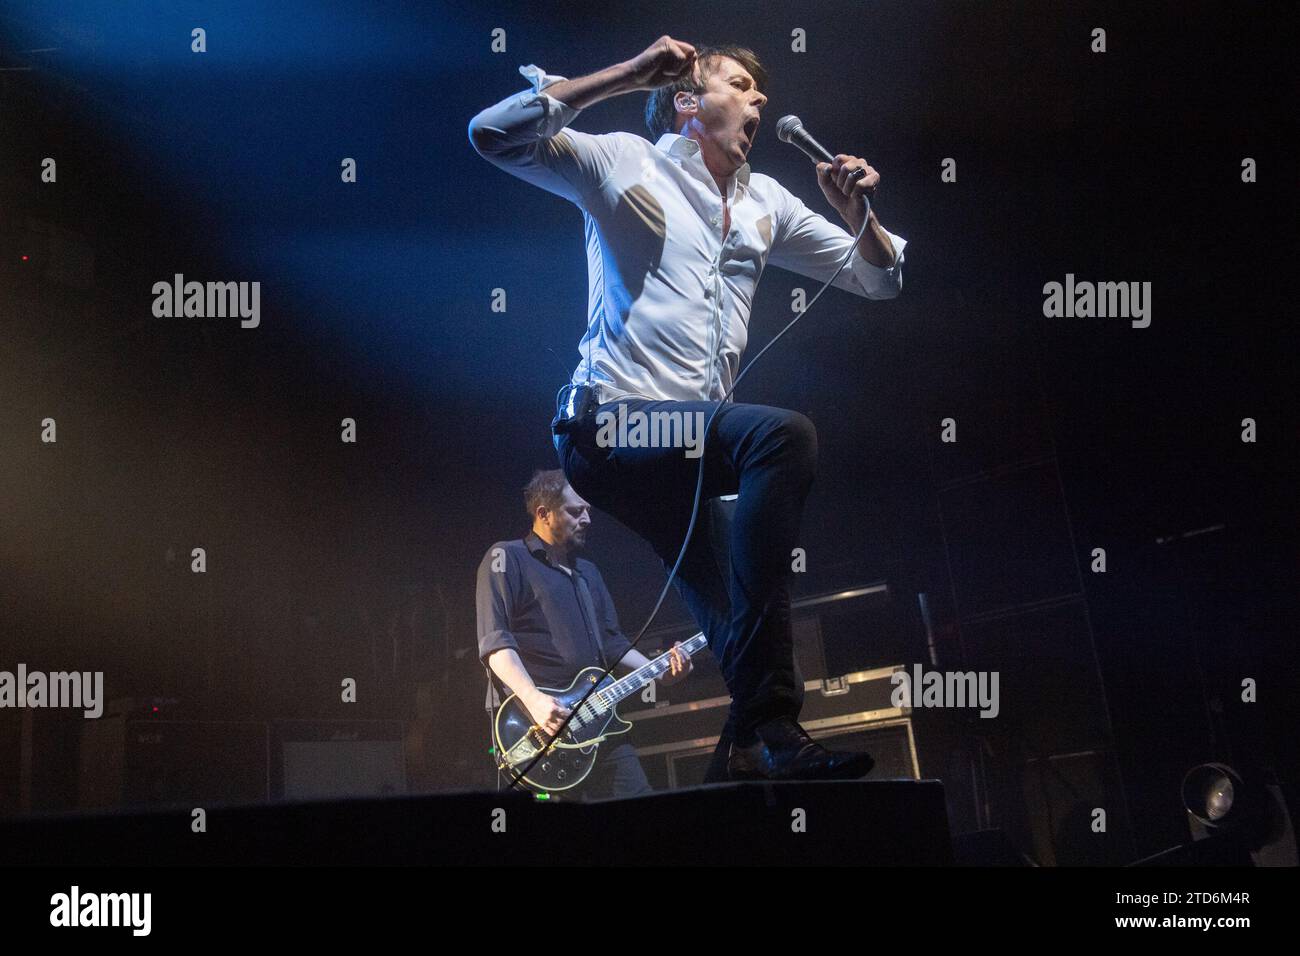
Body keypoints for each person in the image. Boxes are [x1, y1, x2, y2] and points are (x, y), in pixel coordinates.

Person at [469, 37, 906, 780]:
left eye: (762, 92)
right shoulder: (623, 161)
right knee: (783, 437)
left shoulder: (767, 202)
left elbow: (881, 281)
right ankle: (765, 727)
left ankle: (758, 741)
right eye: (741, 85)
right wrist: (625, 73)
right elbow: (492, 134)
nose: (761, 100)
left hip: (686, 453)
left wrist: (857, 212)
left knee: (734, 608)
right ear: (687, 101)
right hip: (609, 426)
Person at [476, 469, 690, 799]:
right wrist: (534, 700)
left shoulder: (587, 571)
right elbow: (495, 641)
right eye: (576, 511)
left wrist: (659, 670)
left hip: (600, 720)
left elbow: (612, 641)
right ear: (543, 514)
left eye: (588, 510)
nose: (587, 519)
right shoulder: (507, 558)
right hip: (542, 725)